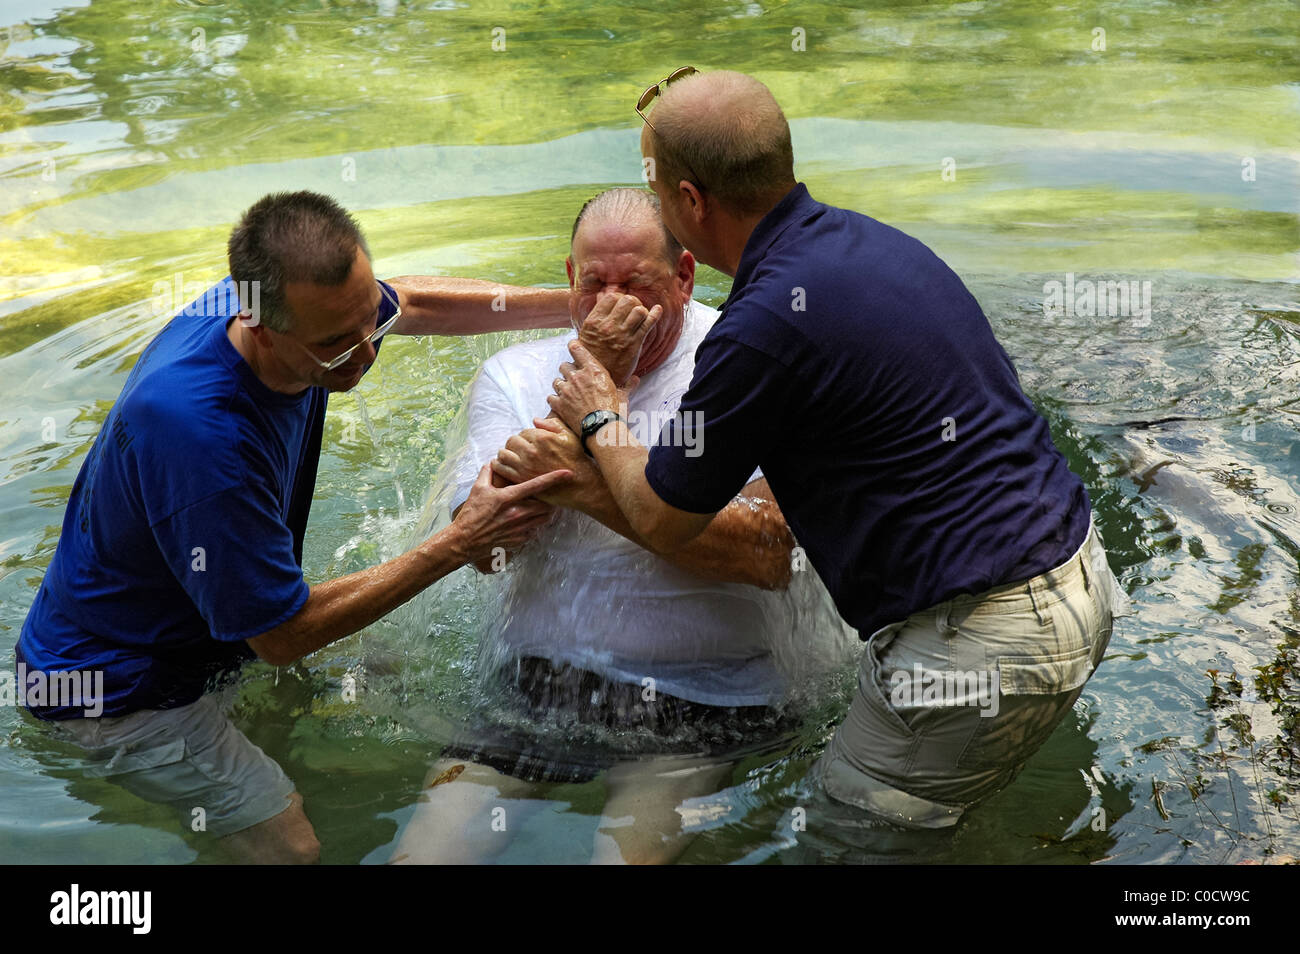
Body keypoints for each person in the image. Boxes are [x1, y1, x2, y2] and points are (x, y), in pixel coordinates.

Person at [545, 69, 1131, 832]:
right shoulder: (875, 245)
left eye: (656, 192)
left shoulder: (758, 329)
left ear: (690, 203)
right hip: (1078, 579)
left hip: (980, 645)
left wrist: (601, 416)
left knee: (839, 846)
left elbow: (663, 520)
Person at [16, 190, 577, 863]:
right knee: (294, 848)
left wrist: (573, 305)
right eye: (335, 346)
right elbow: (283, 637)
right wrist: (460, 541)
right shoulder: (202, 437)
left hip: (207, 640)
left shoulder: (292, 301)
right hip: (118, 692)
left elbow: (417, 304)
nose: (365, 352)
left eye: (368, 320)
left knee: (376, 687)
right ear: (255, 321)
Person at [391, 188, 799, 865]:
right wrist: (594, 380)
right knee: (424, 857)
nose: (613, 304)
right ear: (569, 277)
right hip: (536, 691)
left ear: (686, 276)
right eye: (594, 283)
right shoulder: (515, 375)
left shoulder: (742, 364)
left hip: (705, 699)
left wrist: (586, 478)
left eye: (636, 284)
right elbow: (483, 550)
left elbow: (767, 554)